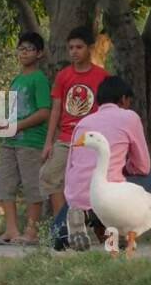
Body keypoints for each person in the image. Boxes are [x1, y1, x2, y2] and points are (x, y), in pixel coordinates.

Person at [59, 76, 151, 251]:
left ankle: (85, 218)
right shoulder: (129, 117)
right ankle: (121, 231)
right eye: (129, 101)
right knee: (149, 179)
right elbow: (143, 166)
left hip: (77, 194)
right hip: (107, 195)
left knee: (59, 239)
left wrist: (72, 199)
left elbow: (69, 168)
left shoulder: (83, 123)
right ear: (124, 99)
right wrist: (126, 168)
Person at [39, 27, 109, 222]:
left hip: (90, 140)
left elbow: (107, 109)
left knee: (89, 183)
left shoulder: (102, 76)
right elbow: (56, 109)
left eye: (79, 47)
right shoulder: (63, 76)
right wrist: (48, 143)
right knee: (50, 176)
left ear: (90, 48)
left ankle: (98, 226)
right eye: (71, 48)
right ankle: (64, 225)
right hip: (65, 138)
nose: (74, 52)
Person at [0, 32, 52, 245]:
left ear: (39, 53)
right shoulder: (17, 79)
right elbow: (16, 110)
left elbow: (44, 112)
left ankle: (31, 232)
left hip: (31, 141)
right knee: (3, 182)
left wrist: (16, 126)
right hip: (11, 141)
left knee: (32, 185)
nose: (24, 52)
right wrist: (5, 122)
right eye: (21, 48)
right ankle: (11, 230)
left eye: (29, 49)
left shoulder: (40, 79)